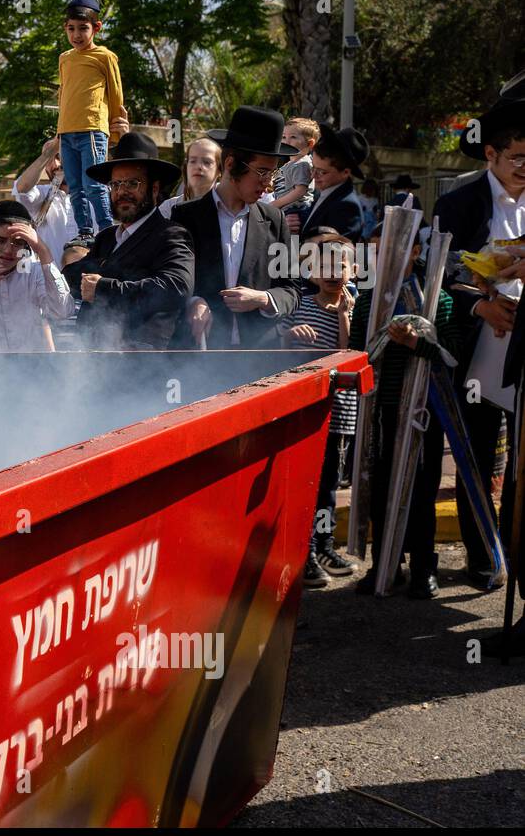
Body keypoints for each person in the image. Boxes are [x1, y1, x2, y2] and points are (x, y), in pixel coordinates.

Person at [439, 93, 525, 592]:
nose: (524, 169)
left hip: (524, 344)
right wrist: (480, 304)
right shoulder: (459, 201)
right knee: (473, 450)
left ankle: (515, 546)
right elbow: (443, 269)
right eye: (517, 158)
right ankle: (483, 552)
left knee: (522, 458)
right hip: (480, 346)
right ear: (490, 154)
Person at [349, 234, 457, 600]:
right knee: (380, 490)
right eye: (378, 250)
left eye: (394, 247)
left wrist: (415, 342)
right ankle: (386, 565)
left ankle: (425, 567)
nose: (384, 257)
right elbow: (355, 356)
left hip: (423, 411)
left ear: (414, 251)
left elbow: (451, 355)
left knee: (422, 489)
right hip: (381, 411)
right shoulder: (367, 303)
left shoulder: (438, 300)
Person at [168, 106, 299, 349]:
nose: (268, 182)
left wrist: (262, 298)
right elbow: (171, 282)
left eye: (273, 172)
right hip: (201, 355)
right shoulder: (185, 216)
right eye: (261, 171)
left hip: (258, 357)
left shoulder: (275, 220)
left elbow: (291, 289)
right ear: (230, 164)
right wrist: (193, 302)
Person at [61, 132, 194, 348]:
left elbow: (175, 288)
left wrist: (104, 287)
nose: (122, 192)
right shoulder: (106, 238)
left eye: (133, 183)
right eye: (115, 184)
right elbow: (71, 276)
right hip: (92, 358)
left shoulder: (170, 234)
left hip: (139, 361)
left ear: (154, 189)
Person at [277, 233, 358, 586]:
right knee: (305, 479)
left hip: (340, 408)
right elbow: (278, 343)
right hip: (306, 406)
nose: (331, 273)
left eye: (339, 265)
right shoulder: (300, 304)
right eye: (323, 265)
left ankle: (323, 544)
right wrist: (292, 334)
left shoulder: (354, 306)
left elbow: (349, 353)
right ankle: (304, 551)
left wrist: (344, 316)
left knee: (329, 483)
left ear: (352, 270)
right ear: (310, 270)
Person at [56, 0, 124, 241]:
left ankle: (107, 231)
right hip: (67, 132)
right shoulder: (65, 58)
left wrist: (115, 132)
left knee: (94, 185)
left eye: (83, 28)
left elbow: (116, 95)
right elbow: (63, 96)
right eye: (71, 28)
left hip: (92, 130)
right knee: (75, 188)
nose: (77, 35)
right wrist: (58, 133)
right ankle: (85, 232)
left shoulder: (105, 56)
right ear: (65, 28)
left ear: (96, 28)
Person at [0, 200, 74, 351]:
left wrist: (43, 250)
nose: (8, 250)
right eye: (0, 241)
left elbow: (62, 311)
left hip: (33, 368)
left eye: (18, 242)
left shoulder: (35, 273)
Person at [289, 126, 369, 242]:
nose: (313, 176)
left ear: (345, 172)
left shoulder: (347, 207)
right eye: (313, 168)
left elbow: (332, 254)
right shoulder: (323, 191)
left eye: (322, 172)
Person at [12, 137, 78, 263]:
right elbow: (22, 188)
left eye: (59, 157)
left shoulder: (94, 194)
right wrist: (48, 152)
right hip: (50, 280)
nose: (55, 165)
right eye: (49, 160)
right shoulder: (42, 195)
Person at [158, 137, 221, 219]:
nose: (198, 166)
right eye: (193, 161)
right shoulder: (169, 208)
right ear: (186, 166)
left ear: (219, 170)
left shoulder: (228, 206)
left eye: (206, 162)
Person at [270, 117, 318, 218]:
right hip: (286, 208)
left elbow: (300, 191)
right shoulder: (288, 164)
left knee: (292, 233)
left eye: (293, 137)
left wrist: (275, 204)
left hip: (296, 209)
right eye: (283, 137)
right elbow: (273, 177)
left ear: (310, 143)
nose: (286, 142)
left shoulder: (302, 164)